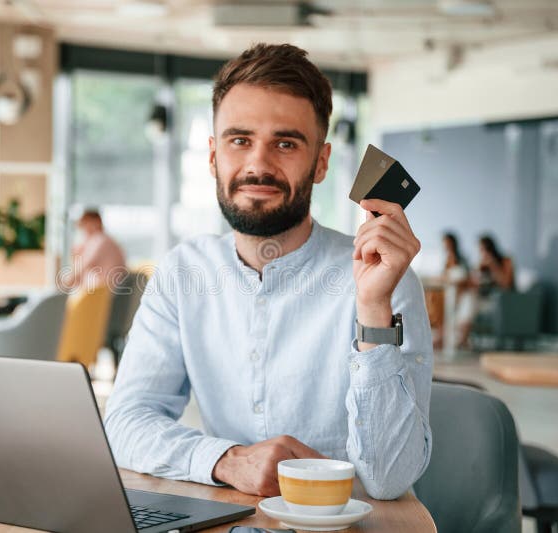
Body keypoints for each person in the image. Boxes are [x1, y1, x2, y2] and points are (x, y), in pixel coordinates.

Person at [104, 44, 432, 501]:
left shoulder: (385, 280)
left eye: (285, 143)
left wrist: (373, 308)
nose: (259, 164)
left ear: (320, 162)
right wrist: (227, 460)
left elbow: (390, 478)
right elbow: (124, 422)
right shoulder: (183, 272)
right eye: (240, 140)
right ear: (214, 156)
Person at [64, 209, 126, 290]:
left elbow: (79, 270)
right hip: (108, 293)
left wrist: (63, 285)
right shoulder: (106, 240)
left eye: (86, 224)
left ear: (97, 222)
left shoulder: (99, 240)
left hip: (100, 294)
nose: (84, 229)